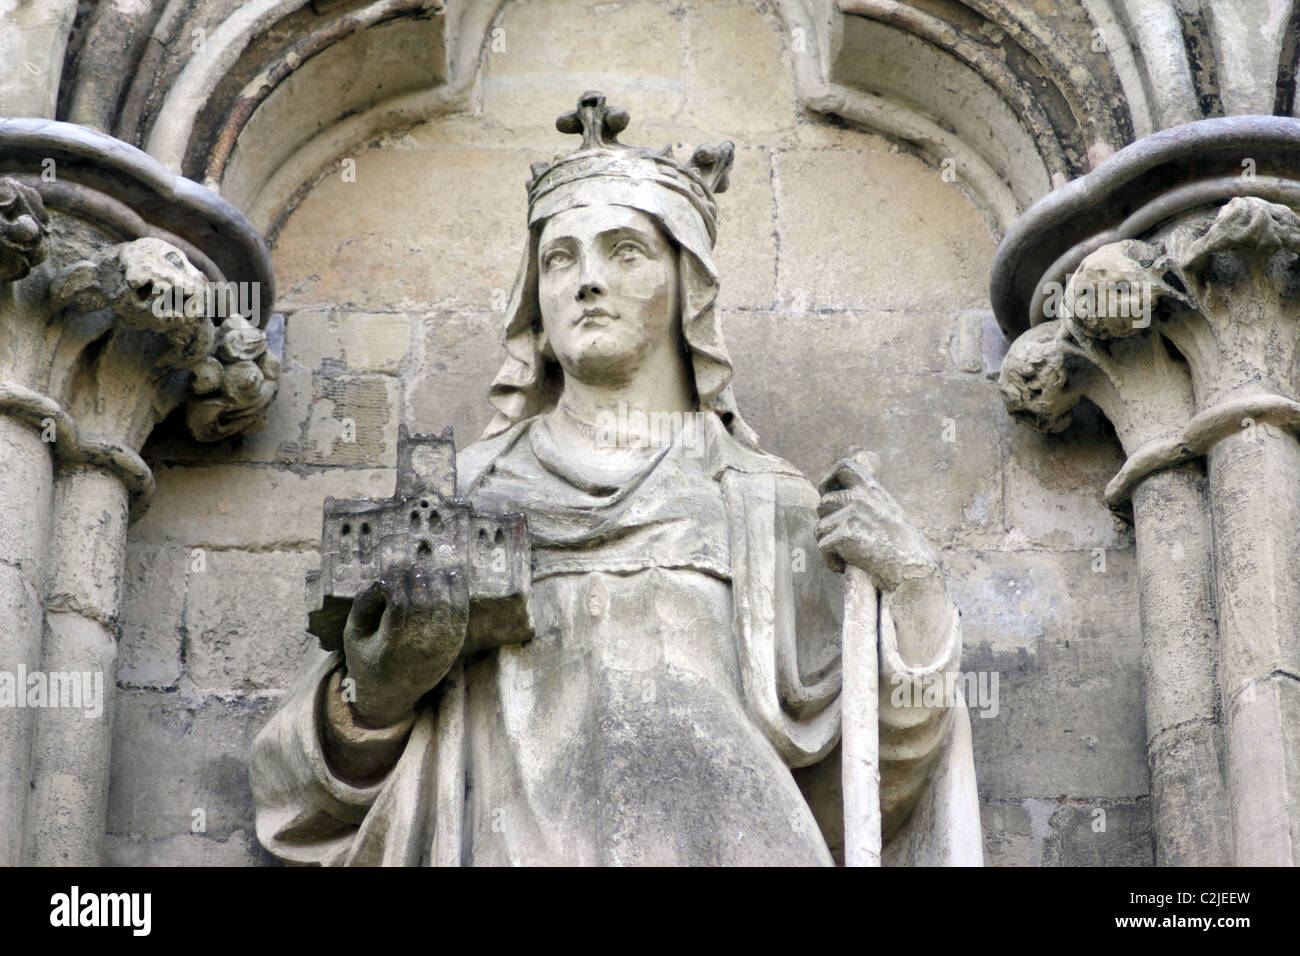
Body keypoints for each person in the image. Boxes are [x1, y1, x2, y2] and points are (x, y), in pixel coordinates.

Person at [251, 92, 982, 866]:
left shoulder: (772, 506)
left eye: (624, 251)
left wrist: (915, 594)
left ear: (687, 285)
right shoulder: (453, 505)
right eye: (559, 257)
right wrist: (384, 690)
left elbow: (875, 776)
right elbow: (298, 792)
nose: (585, 281)